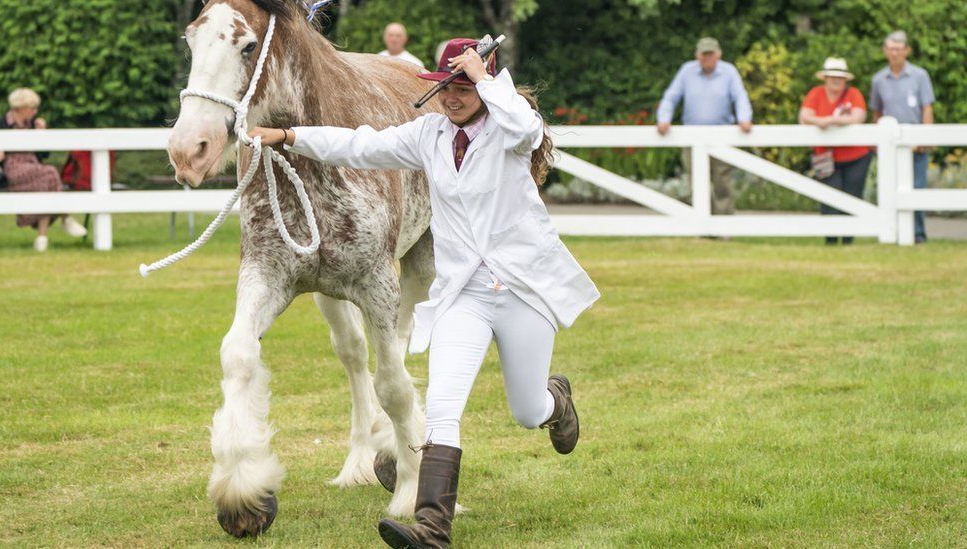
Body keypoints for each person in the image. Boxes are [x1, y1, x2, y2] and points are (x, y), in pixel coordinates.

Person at [249, 37, 599, 549]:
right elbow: (358, 145)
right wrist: (287, 135)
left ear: (482, 83)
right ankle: (433, 527)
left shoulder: (509, 130)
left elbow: (527, 127)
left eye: (462, 87)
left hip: (522, 290)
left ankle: (556, 402)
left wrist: (484, 78)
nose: (452, 97)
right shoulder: (429, 134)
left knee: (526, 410)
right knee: (442, 406)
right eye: (445, 87)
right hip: (465, 294)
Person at [657, 37, 753, 215]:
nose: (706, 58)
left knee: (722, 183)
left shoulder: (729, 72)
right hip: (692, 137)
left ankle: (724, 226)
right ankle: (703, 225)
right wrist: (664, 119)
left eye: (710, 54)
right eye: (703, 54)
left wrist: (744, 118)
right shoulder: (687, 71)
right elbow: (671, 97)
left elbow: (740, 97)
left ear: (718, 54)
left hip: (722, 136)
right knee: (697, 183)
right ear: (697, 55)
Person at [0, 88, 87, 251]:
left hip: (34, 165)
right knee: (49, 173)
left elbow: (44, 153)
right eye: (32, 108)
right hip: (13, 168)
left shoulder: (33, 125)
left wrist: (41, 134)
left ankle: (42, 238)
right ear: (21, 108)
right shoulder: (0, 125)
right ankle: (65, 218)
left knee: (46, 183)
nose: (35, 111)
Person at [870, 30, 936, 244]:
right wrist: (877, 141)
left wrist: (925, 137)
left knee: (916, 187)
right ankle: (893, 232)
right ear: (885, 51)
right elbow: (877, 112)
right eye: (891, 49)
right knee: (890, 188)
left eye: (899, 49)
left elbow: (927, 108)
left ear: (906, 51)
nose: (895, 53)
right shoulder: (879, 79)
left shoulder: (919, 75)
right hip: (890, 145)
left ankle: (917, 234)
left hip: (915, 144)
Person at [799, 58, 872, 245]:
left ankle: (848, 240)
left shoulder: (853, 94)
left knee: (852, 195)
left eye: (840, 77)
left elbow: (859, 116)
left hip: (855, 156)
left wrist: (831, 121)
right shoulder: (815, 93)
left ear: (845, 79)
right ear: (825, 78)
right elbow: (805, 116)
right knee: (828, 196)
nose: (836, 81)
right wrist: (820, 122)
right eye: (832, 77)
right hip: (824, 155)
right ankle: (830, 239)